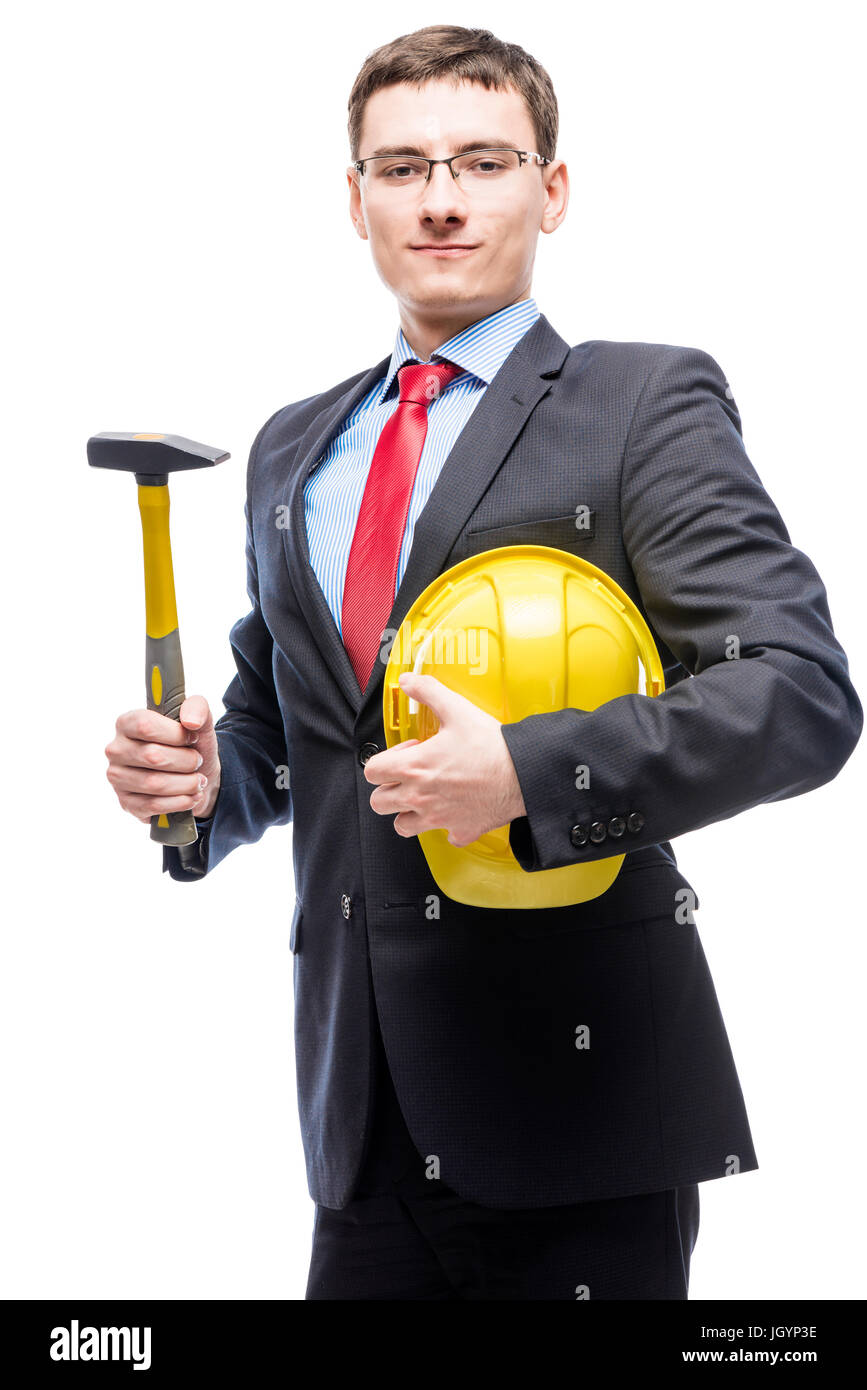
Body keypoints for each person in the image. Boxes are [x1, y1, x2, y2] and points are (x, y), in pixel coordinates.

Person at [104, 25, 862, 1299]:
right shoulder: (293, 450)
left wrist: (523, 773)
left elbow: (797, 693)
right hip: (359, 1124)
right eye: (400, 168)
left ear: (550, 188)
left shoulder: (643, 406)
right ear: (355, 200)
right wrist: (196, 783)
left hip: (579, 1117)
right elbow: (284, 731)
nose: (442, 198)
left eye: (482, 160)